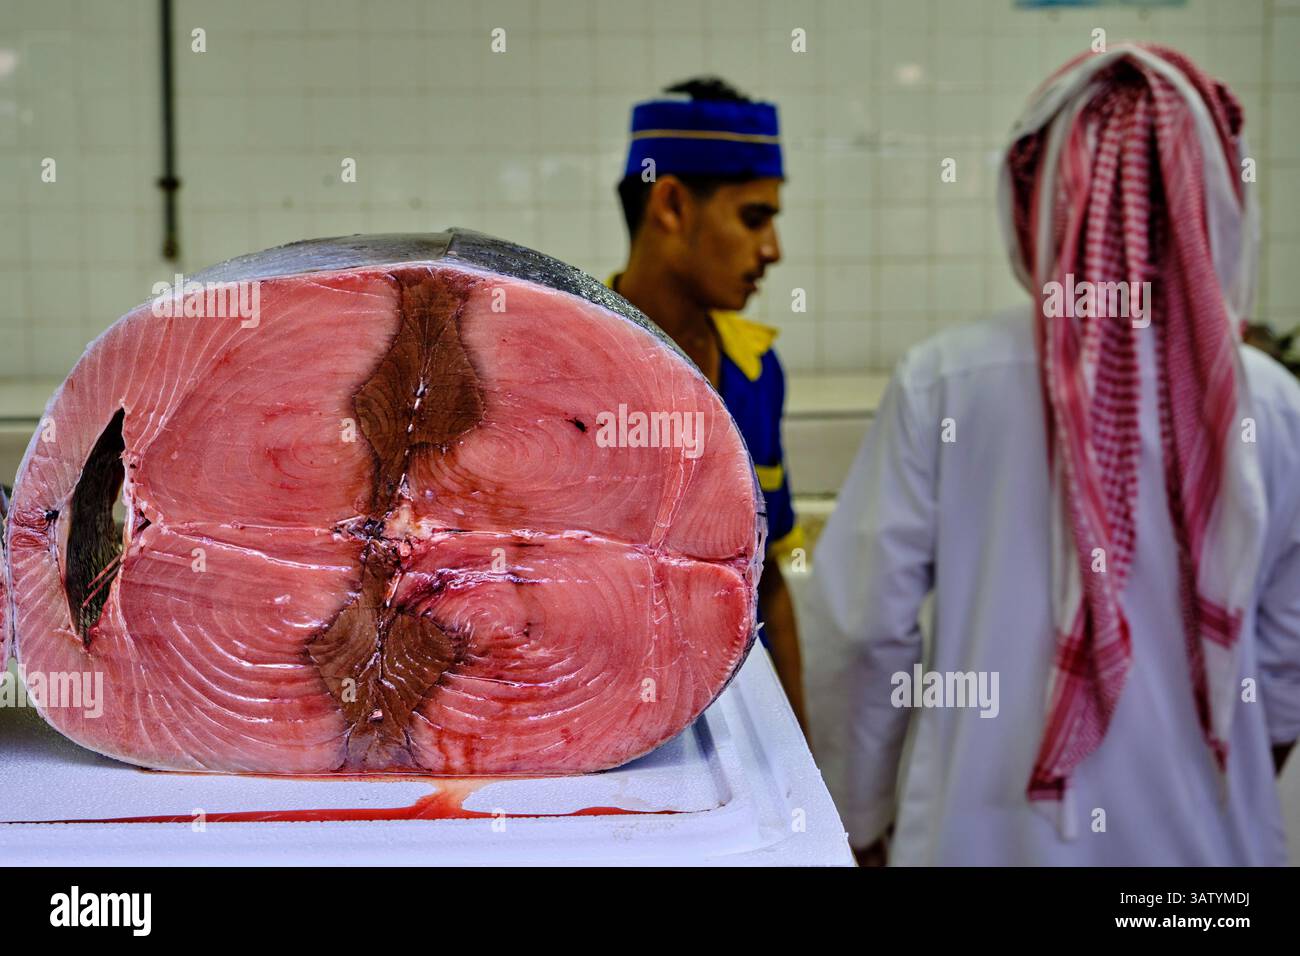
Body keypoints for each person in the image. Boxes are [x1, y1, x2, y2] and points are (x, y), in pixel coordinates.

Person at [813, 44, 1300, 865]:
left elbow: (863, 633)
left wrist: (855, 819)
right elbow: (1285, 660)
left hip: (978, 839)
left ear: (1035, 202)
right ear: (1215, 200)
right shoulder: (1272, 403)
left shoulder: (946, 380)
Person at [608, 77, 806, 731]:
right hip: (610, 720)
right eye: (754, 217)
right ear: (671, 205)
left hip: (743, 722)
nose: (773, 250)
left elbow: (768, 578)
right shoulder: (577, 368)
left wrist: (799, 753)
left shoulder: (756, 369)